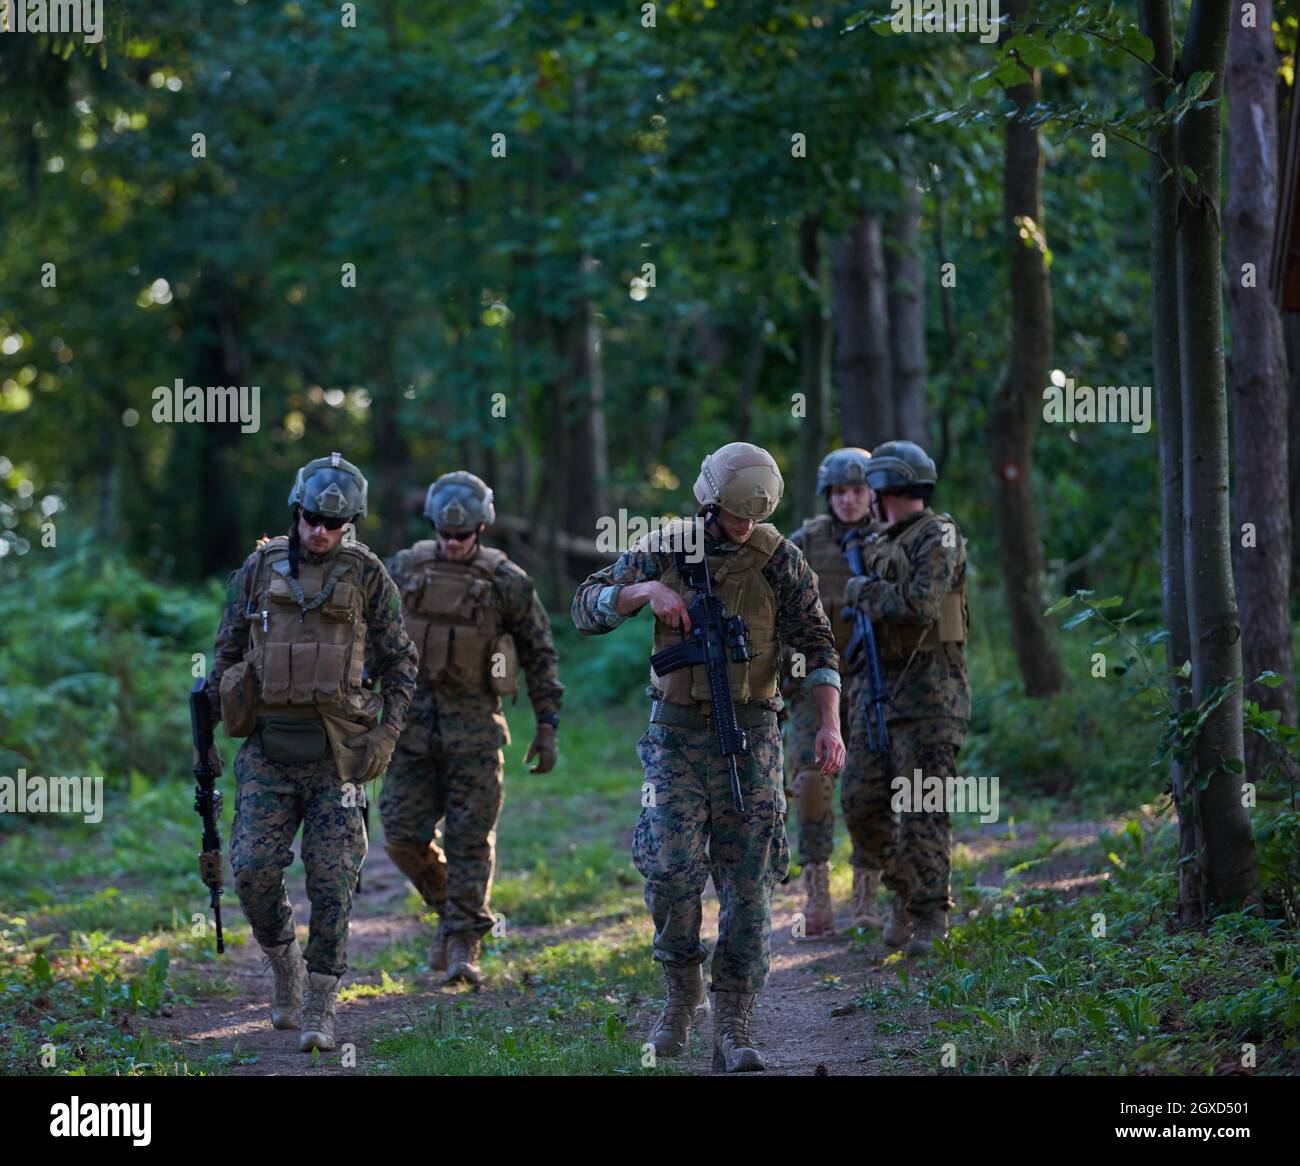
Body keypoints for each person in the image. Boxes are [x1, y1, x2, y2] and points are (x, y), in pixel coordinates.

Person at [572, 441, 845, 1072]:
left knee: (748, 884)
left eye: (753, 516)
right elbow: (585, 607)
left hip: (754, 736)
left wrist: (829, 725)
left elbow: (819, 647)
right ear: (709, 501)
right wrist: (643, 592)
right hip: (673, 736)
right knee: (669, 869)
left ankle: (735, 1019)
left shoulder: (781, 560)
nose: (743, 526)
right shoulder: (666, 547)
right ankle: (681, 992)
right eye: (733, 515)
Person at [209, 453, 418, 1051]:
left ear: (350, 522)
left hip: (339, 756)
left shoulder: (367, 574)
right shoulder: (258, 568)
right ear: (295, 512)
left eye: (334, 522)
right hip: (268, 750)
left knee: (333, 881)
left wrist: (387, 734)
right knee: (251, 870)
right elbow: (223, 656)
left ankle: (321, 1004)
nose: (320, 531)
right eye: (311, 518)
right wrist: (213, 739)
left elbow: (400, 661)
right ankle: (285, 964)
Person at [381, 471, 563, 985]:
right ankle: (449, 910)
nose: (453, 543)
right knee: (400, 835)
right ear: (434, 526)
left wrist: (546, 724)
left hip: (477, 734)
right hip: (409, 733)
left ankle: (464, 940)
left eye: (462, 535)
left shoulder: (507, 580)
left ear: (481, 529)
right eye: (445, 533)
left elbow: (539, 653)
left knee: (470, 840)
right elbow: (369, 634)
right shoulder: (403, 570)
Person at [843, 440, 970, 955]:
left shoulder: (937, 535)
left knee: (923, 812)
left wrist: (861, 591)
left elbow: (920, 605)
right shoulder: (875, 541)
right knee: (860, 804)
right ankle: (904, 891)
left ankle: (930, 916)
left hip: (930, 700)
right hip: (875, 698)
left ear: (884, 490)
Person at [784, 447, 879, 935]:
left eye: (857, 490)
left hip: (871, 680)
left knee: (866, 789)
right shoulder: (804, 542)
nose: (848, 500)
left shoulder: (889, 540)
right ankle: (817, 892)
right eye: (839, 492)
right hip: (814, 685)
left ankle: (867, 893)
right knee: (813, 785)